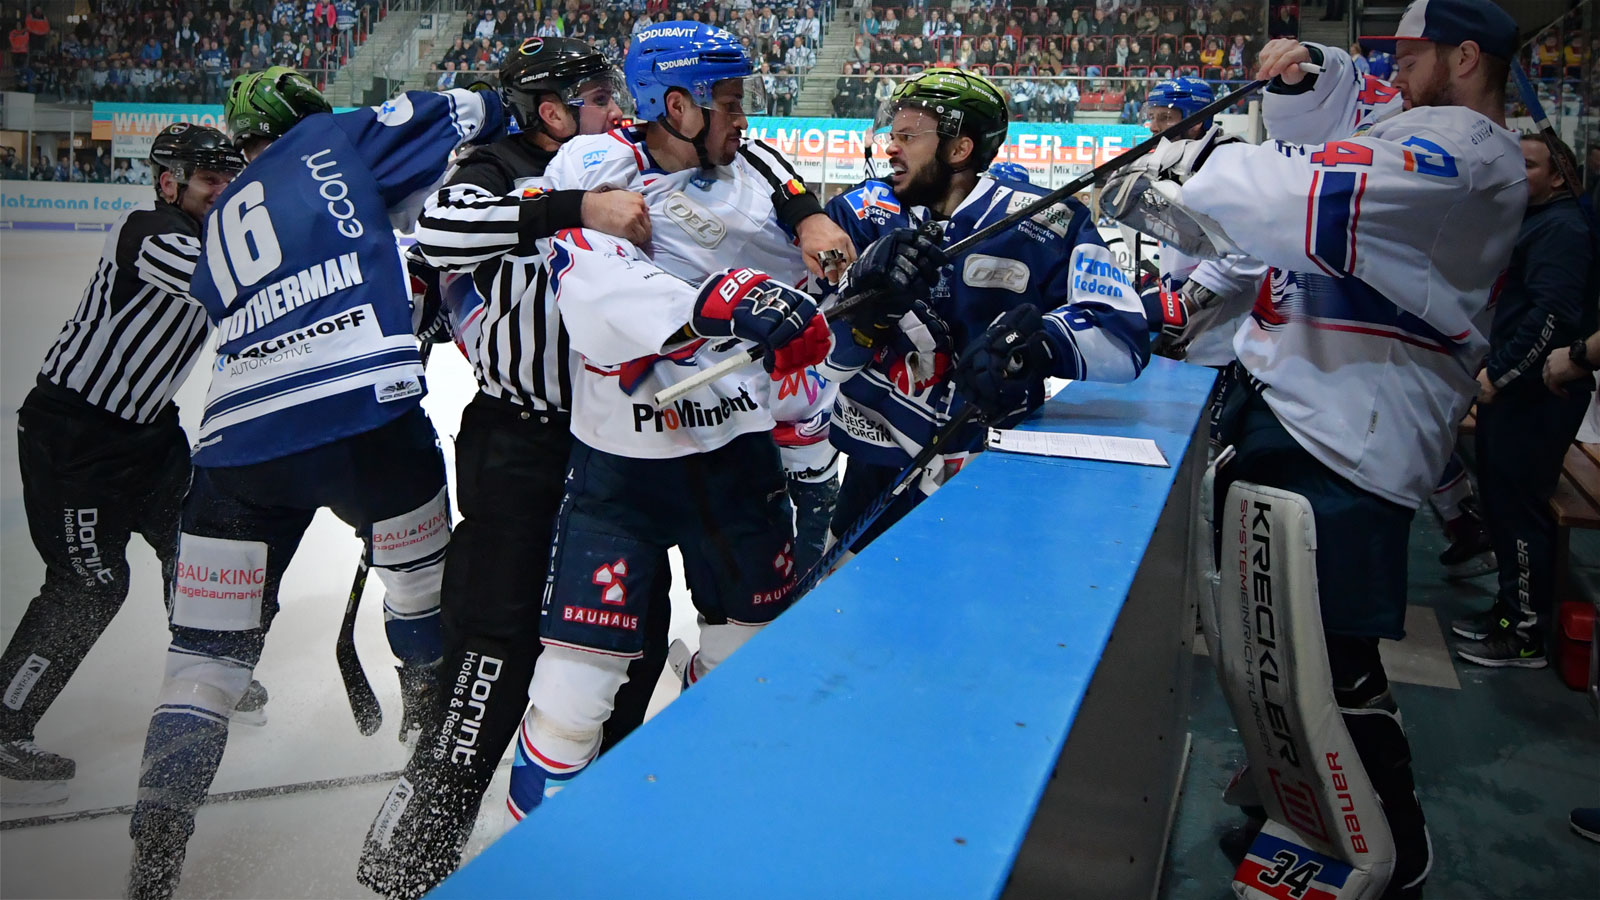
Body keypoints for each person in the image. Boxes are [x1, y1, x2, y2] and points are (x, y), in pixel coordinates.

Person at [1103, 1, 1526, 895]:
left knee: (1326, 660)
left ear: (1464, 58)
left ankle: (1394, 841)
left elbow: (1313, 187)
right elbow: (1346, 122)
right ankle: (1298, 810)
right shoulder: (1422, 128)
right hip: (1298, 415)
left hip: (1349, 435)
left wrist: (1201, 159)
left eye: (1409, 57)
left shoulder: (1470, 147)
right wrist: (1313, 79)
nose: (1394, 75)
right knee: (1272, 647)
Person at [124, 68, 509, 899]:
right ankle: (426, 779)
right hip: (365, 420)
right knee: (420, 586)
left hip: (233, 445)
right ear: (303, 118)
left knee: (203, 663)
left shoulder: (220, 215)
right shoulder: (332, 139)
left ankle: (153, 860)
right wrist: (500, 97)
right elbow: (467, 112)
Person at [499, 21, 853, 822]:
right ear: (677, 103)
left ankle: (702, 819)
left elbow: (810, 265)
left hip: (736, 461)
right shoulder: (596, 165)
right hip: (621, 470)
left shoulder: (756, 169)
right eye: (728, 101)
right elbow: (588, 290)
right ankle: (531, 865)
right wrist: (714, 300)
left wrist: (828, 244)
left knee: (748, 676)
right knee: (571, 697)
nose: (743, 117)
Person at [355, 38, 664, 899]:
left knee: (625, 645)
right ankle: (409, 857)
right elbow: (440, 231)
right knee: (491, 647)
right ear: (554, 110)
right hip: (520, 441)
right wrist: (571, 209)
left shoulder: (633, 157)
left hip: (618, 447)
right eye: (598, 95)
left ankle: (584, 837)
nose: (617, 106)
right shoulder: (494, 164)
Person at [0, 126, 250, 809]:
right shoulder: (149, 231)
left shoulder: (214, 231)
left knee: (196, 546)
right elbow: (221, 286)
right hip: (74, 440)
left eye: (229, 179)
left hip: (149, 435)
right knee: (91, 585)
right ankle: (3, 724)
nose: (222, 192)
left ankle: (207, 665)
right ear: (169, 183)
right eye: (209, 180)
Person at [820, 68, 1150, 556]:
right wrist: (863, 304)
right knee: (846, 613)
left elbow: (1123, 336)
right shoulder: (863, 213)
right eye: (892, 134)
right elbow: (825, 355)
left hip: (989, 472)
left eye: (909, 135)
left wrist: (1042, 346)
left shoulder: (1047, 222)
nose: (891, 147)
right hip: (873, 466)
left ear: (959, 149)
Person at [1453, 133, 1599, 668]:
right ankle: (1510, 614)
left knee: (1518, 511)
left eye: (1530, 165)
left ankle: (1526, 634)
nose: (1518, 172)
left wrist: (1503, 375)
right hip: (1516, 390)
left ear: (1558, 175)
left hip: (1535, 395)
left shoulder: (1562, 228)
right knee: (1503, 505)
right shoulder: (1537, 219)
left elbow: (1552, 317)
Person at [1136, 78, 1267, 368]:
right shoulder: (1174, 162)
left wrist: (1187, 301)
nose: (1154, 126)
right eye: (1152, 116)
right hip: (1189, 338)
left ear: (1197, 121)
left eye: (1165, 117)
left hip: (1225, 345)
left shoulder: (1232, 160)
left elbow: (1251, 249)